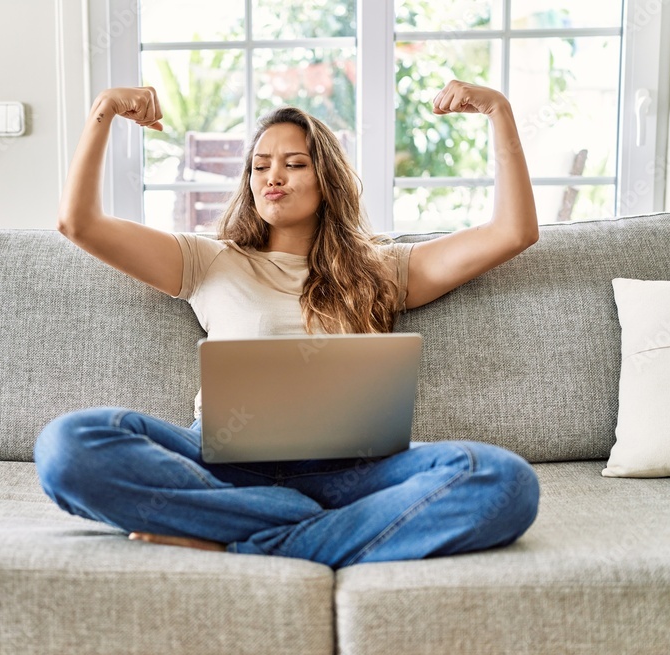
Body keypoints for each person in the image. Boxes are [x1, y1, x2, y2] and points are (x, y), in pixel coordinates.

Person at [34, 81, 540, 569]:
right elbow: (78, 222)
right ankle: (315, 527)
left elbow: (513, 232)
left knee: (500, 478)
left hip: (349, 472)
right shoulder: (208, 261)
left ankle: (246, 539)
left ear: (327, 180)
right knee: (68, 445)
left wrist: (499, 111)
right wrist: (104, 109)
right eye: (260, 166)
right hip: (220, 465)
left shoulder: (381, 268)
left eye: (294, 164)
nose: (272, 176)